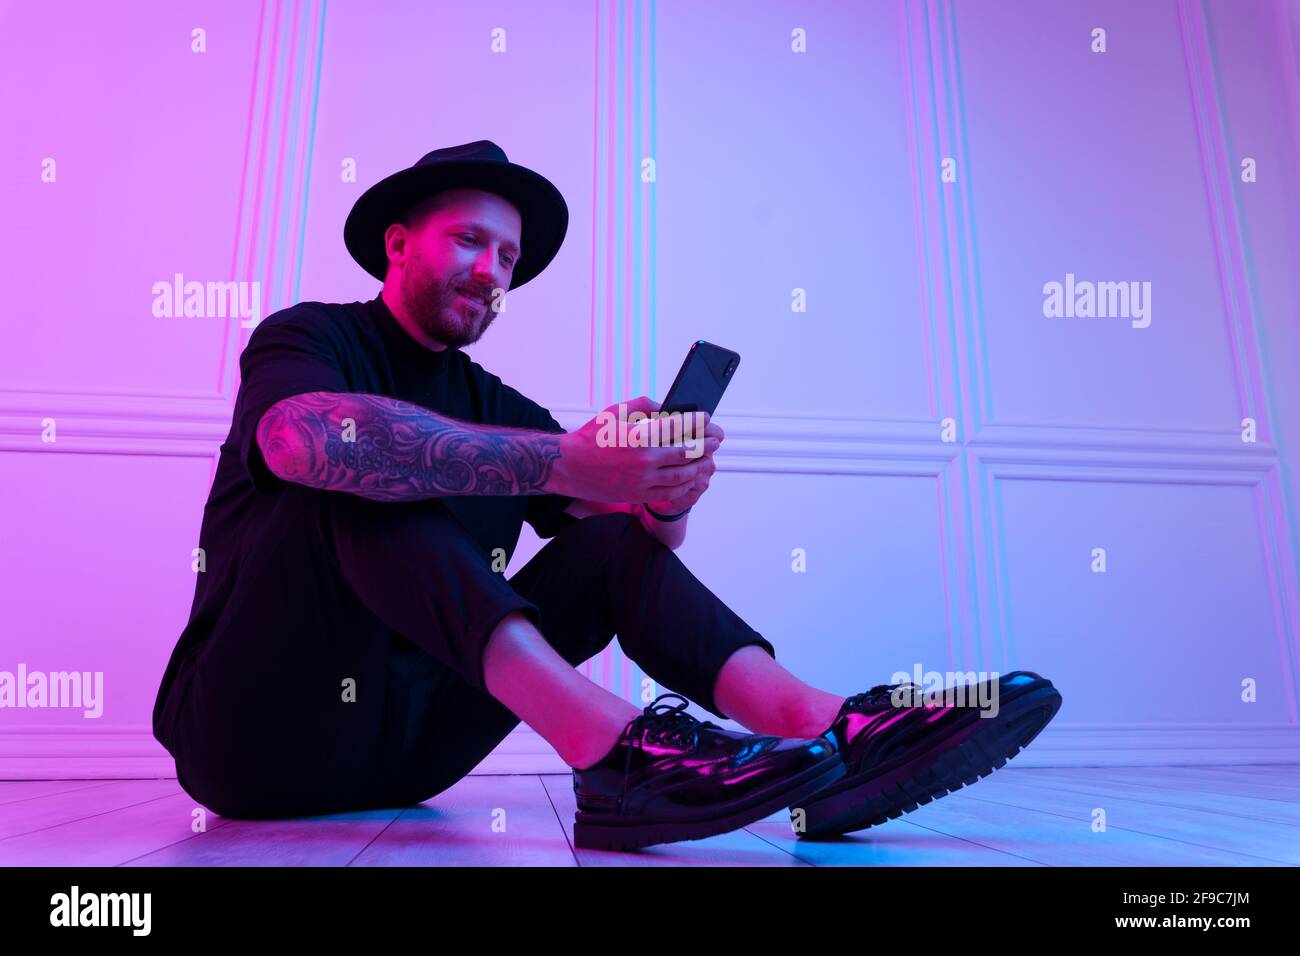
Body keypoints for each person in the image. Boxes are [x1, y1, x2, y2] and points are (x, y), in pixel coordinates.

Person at [151, 140, 1063, 852]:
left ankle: (826, 740)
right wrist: (563, 459)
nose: (491, 272)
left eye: (507, 257)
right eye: (469, 240)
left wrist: (659, 488)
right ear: (398, 244)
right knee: (368, 465)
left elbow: (636, 554)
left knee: (612, 543)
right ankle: (618, 756)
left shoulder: (495, 403)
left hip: (406, 754)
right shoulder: (308, 336)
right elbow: (296, 438)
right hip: (248, 734)